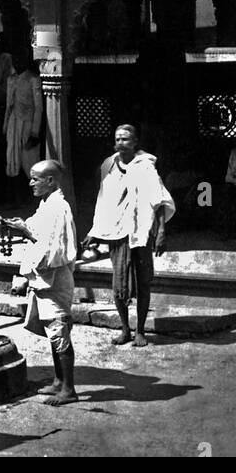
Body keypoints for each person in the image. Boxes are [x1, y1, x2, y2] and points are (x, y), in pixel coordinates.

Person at [84, 124, 175, 347]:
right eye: (117, 139)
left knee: (143, 282)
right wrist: (95, 232)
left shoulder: (146, 167)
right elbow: (104, 203)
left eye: (126, 139)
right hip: (118, 233)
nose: (121, 143)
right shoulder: (108, 166)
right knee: (119, 283)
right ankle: (125, 329)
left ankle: (140, 330)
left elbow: (159, 200)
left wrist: (162, 231)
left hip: (141, 232)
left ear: (135, 142)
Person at [0, 160, 78, 405]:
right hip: (44, 278)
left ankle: (69, 389)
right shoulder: (47, 204)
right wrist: (18, 226)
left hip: (55, 278)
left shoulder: (59, 208)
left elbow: (54, 247)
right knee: (52, 331)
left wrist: (27, 232)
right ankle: (58, 381)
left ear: (51, 181)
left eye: (36, 179)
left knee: (59, 329)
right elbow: (35, 227)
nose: (31, 183)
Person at [4, 58, 44, 204]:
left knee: (29, 159)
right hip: (13, 123)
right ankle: (16, 199)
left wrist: (35, 132)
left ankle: (37, 199)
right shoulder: (11, 79)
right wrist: (5, 126)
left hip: (28, 123)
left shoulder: (33, 79)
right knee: (12, 159)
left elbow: (38, 107)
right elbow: (9, 105)